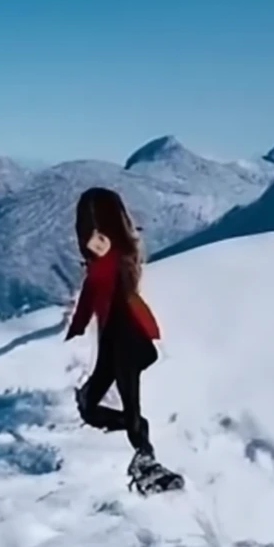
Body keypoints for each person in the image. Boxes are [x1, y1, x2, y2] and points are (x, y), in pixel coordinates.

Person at [65, 187, 183, 494]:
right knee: (92, 407)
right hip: (114, 339)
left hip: (126, 340)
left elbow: (98, 288)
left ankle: (146, 460)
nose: (92, 239)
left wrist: (76, 326)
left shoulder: (115, 262)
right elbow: (91, 295)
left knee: (129, 403)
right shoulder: (112, 261)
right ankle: (141, 440)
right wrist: (76, 327)